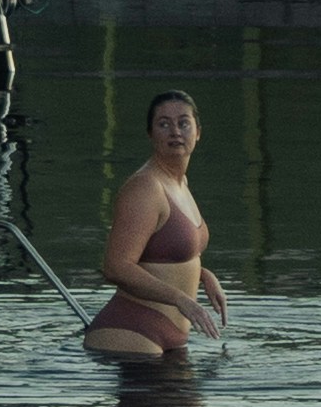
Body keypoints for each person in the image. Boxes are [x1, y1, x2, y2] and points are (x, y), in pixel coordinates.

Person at [84, 86, 227, 362]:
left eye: (184, 123)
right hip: (132, 334)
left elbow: (162, 258)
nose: (175, 131)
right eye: (164, 124)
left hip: (166, 341)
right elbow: (116, 267)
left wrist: (203, 275)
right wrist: (182, 299)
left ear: (198, 131)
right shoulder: (145, 188)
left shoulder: (179, 183)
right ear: (151, 134)